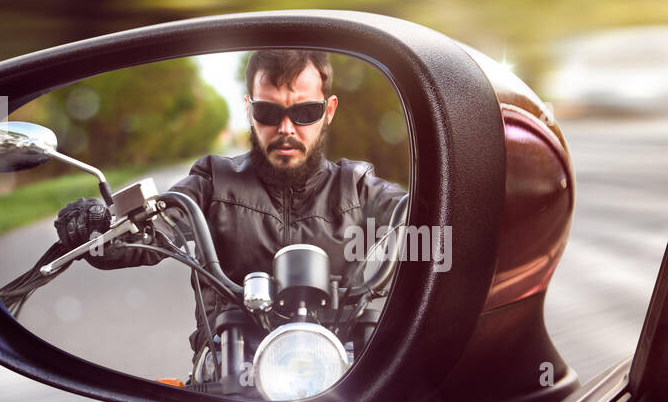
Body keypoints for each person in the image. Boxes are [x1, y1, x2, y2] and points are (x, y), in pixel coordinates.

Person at [52, 48, 408, 367]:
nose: (286, 128)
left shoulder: (358, 187)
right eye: (268, 112)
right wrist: (97, 228)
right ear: (249, 109)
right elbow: (155, 227)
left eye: (305, 112)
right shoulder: (213, 180)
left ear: (328, 111)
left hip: (339, 370)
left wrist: (453, 219)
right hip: (227, 369)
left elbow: (423, 217)